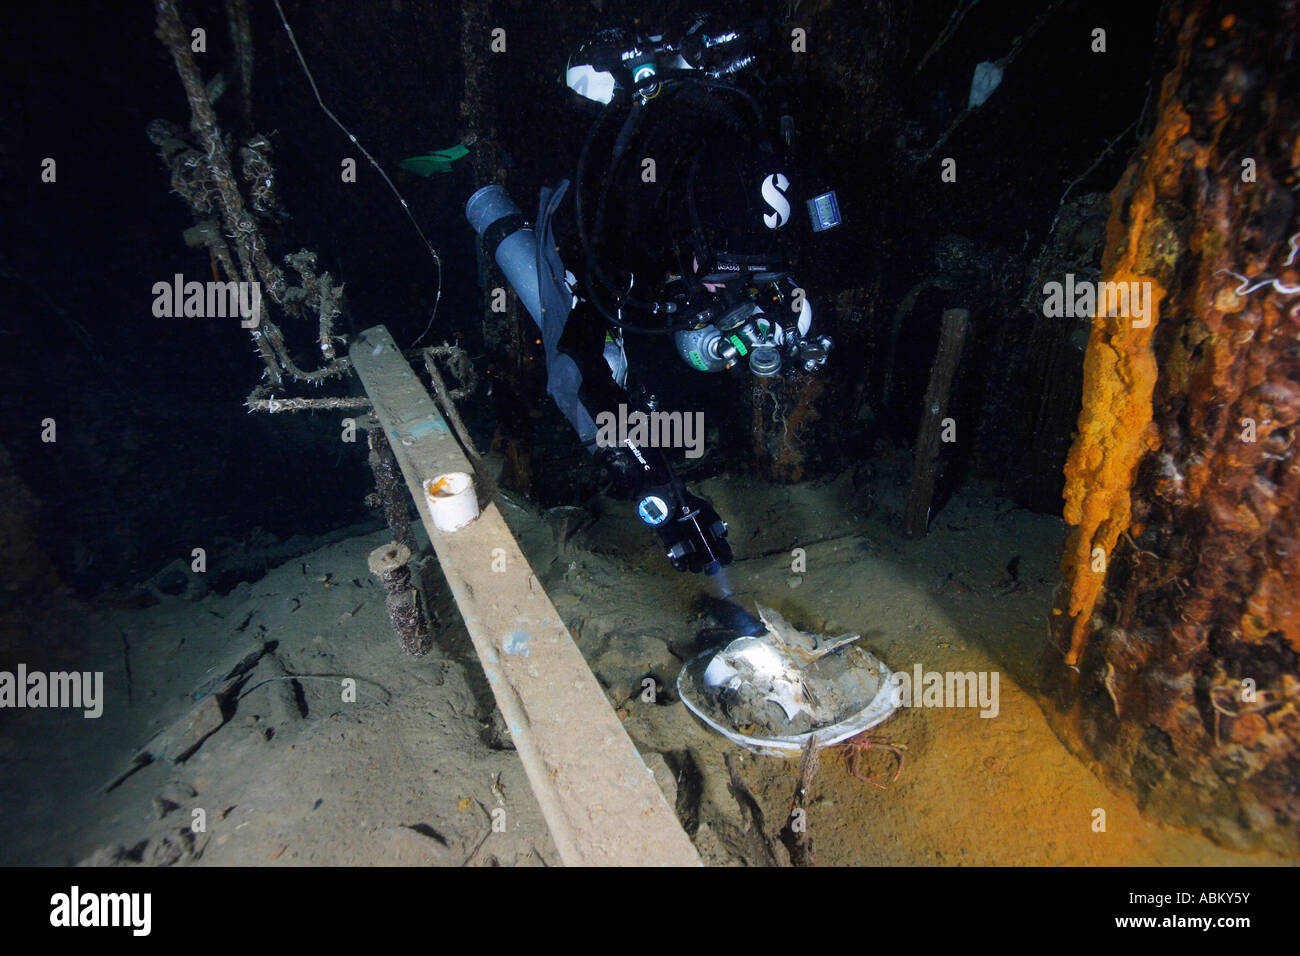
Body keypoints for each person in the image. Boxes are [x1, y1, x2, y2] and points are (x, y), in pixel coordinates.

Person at [467, 15, 838, 575]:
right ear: (690, 244)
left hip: (690, 154)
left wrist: (796, 320)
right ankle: (492, 207)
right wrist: (652, 484)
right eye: (720, 277)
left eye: (750, 279)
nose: (730, 296)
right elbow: (578, 358)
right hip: (596, 208)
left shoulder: (772, 206)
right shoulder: (623, 233)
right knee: (584, 365)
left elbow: (828, 239)